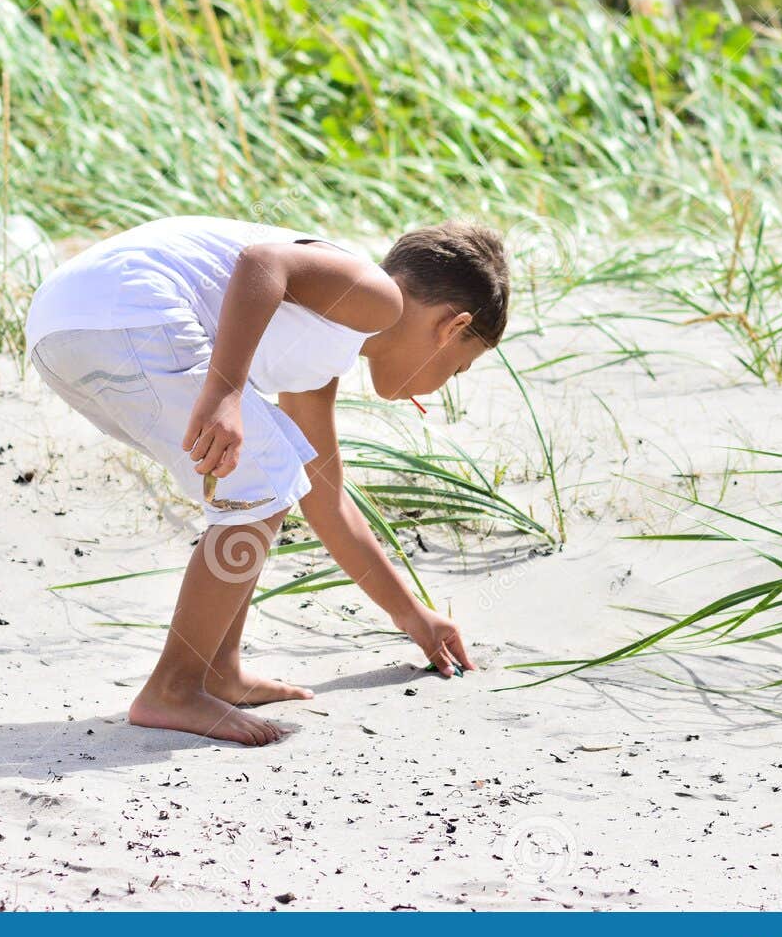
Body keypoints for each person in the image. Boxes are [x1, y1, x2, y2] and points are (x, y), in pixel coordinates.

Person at [26, 216, 509, 745]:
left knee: (258, 477)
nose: (443, 385)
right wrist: (227, 391)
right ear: (452, 328)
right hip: (128, 314)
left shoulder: (323, 351)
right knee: (261, 472)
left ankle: (218, 671)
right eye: (457, 370)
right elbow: (263, 263)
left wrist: (414, 616)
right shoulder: (377, 297)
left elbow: (324, 497)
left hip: (67, 327)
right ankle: (174, 687)